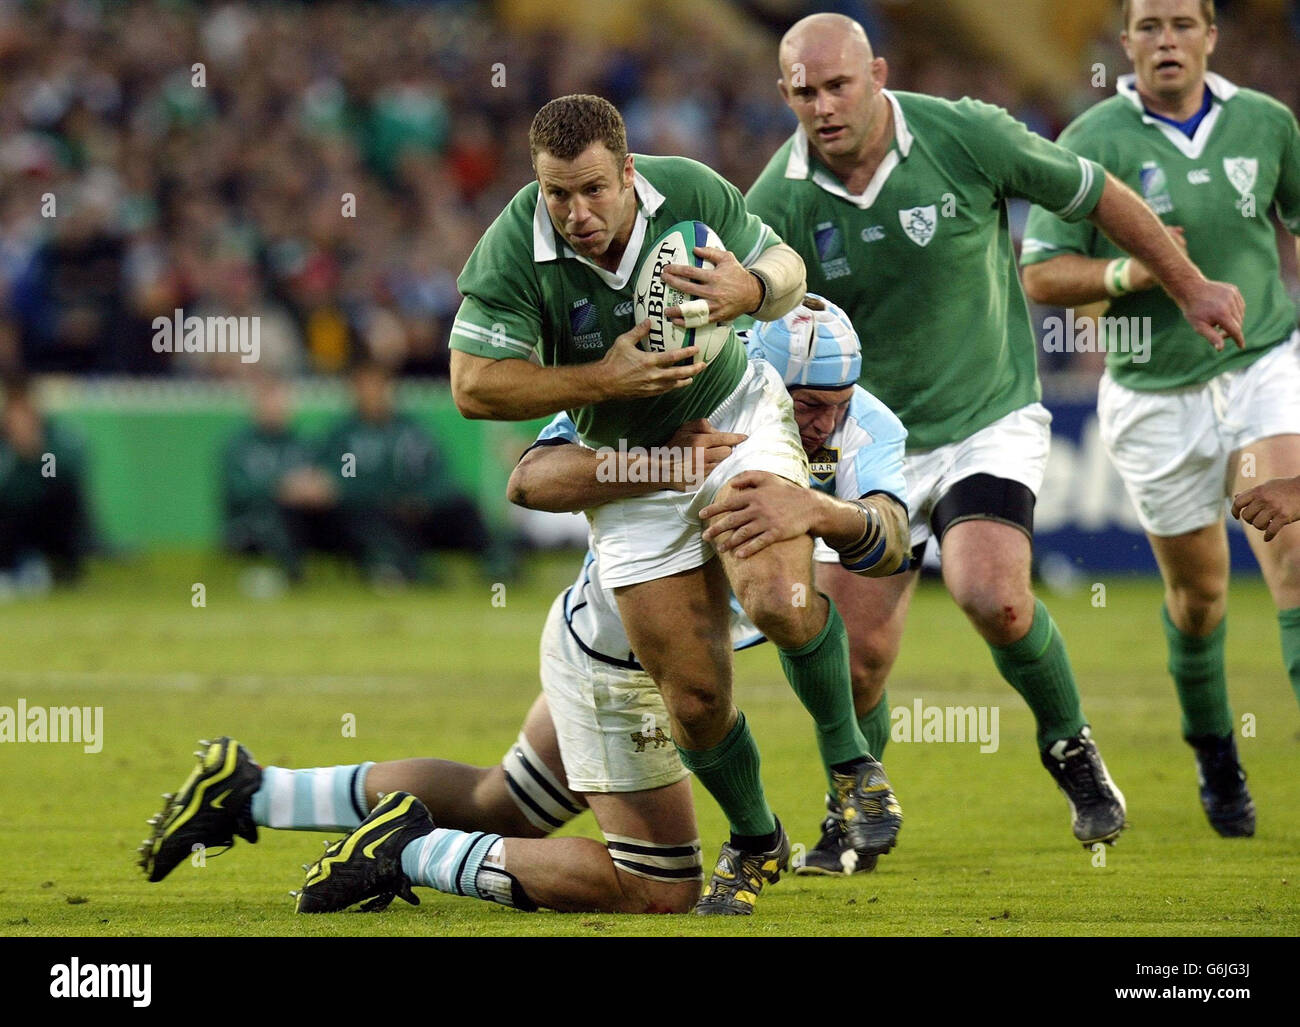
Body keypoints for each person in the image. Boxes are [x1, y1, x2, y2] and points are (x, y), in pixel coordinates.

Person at [745, 12, 1245, 848]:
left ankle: (1071, 745)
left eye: (839, 85)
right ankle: (857, 803)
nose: (824, 105)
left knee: (995, 595)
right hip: (869, 443)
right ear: (784, 93)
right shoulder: (775, 201)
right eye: (805, 91)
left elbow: (1098, 194)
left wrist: (1187, 284)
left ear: (879, 73)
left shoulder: (965, 134)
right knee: (857, 659)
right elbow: (750, 327)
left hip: (988, 416)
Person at [448, 93, 900, 912]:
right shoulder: (515, 246)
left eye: (591, 189)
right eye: (556, 193)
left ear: (629, 172)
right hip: (632, 470)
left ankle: (851, 768)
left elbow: (787, 269)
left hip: (734, 420)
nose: (576, 214)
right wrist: (600, 381)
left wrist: (751, 288)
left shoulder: (689, 190)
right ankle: (758, 836)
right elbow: (473, 387)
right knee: (694, 697)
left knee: (779, 596)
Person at [509, 295, 912, 876]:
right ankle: (407, 846)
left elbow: (892, 540)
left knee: (755, 641)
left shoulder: (862, 426)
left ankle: (812, 804)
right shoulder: (677, 381)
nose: (826, 423)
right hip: (608, 655)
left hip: (698, 653)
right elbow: (528, 481)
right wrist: (657, 465)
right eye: (809, 405)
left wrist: (817, 511)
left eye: (839, 405)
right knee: (511, 812)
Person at [1020, 0, 1300, 837]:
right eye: (1149, 26)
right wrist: (1129, 276)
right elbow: (1041, 272)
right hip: (1152, 395)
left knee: (1292, 557)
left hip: (1260, 366)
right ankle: (1215, 748)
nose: (1166, 40)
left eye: (1183, 23)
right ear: (1126, 43)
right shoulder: (1093, 139)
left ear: (1211, 36)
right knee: (1201, 594)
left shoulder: (1267, 123)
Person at [317, 360, 511, 583]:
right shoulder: (341, 435)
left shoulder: (412, 430)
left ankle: (499, 566)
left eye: (378, 385)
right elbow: (332, 483)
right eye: (365, 386)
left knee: (463, 505)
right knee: (366, 518)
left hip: (421, 511)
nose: (372, 393)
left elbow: (440, 475)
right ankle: (400, 570)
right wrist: (385, 497)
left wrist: (420, 499)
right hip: (375, 515)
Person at [221, 376, 343, 585]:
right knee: (277, 518)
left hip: (303, 519)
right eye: (268, 401)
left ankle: (376, 570)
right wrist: (279, 488)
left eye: (280, 401)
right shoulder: (239, 446)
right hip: (252, 522)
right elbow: (236, 489)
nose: (274, 408)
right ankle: (292, 575)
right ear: (255, 406)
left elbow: (322, 478)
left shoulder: (304, 444)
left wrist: (318, 489)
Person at [0, 375, 92, 586]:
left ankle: (58, 566)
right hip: (10, 518)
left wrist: (36, 454)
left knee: (62, 499)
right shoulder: (4, 448)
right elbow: (6, 491)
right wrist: (15, 457)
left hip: (43, 518)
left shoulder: (53, 443)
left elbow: (54, 481)